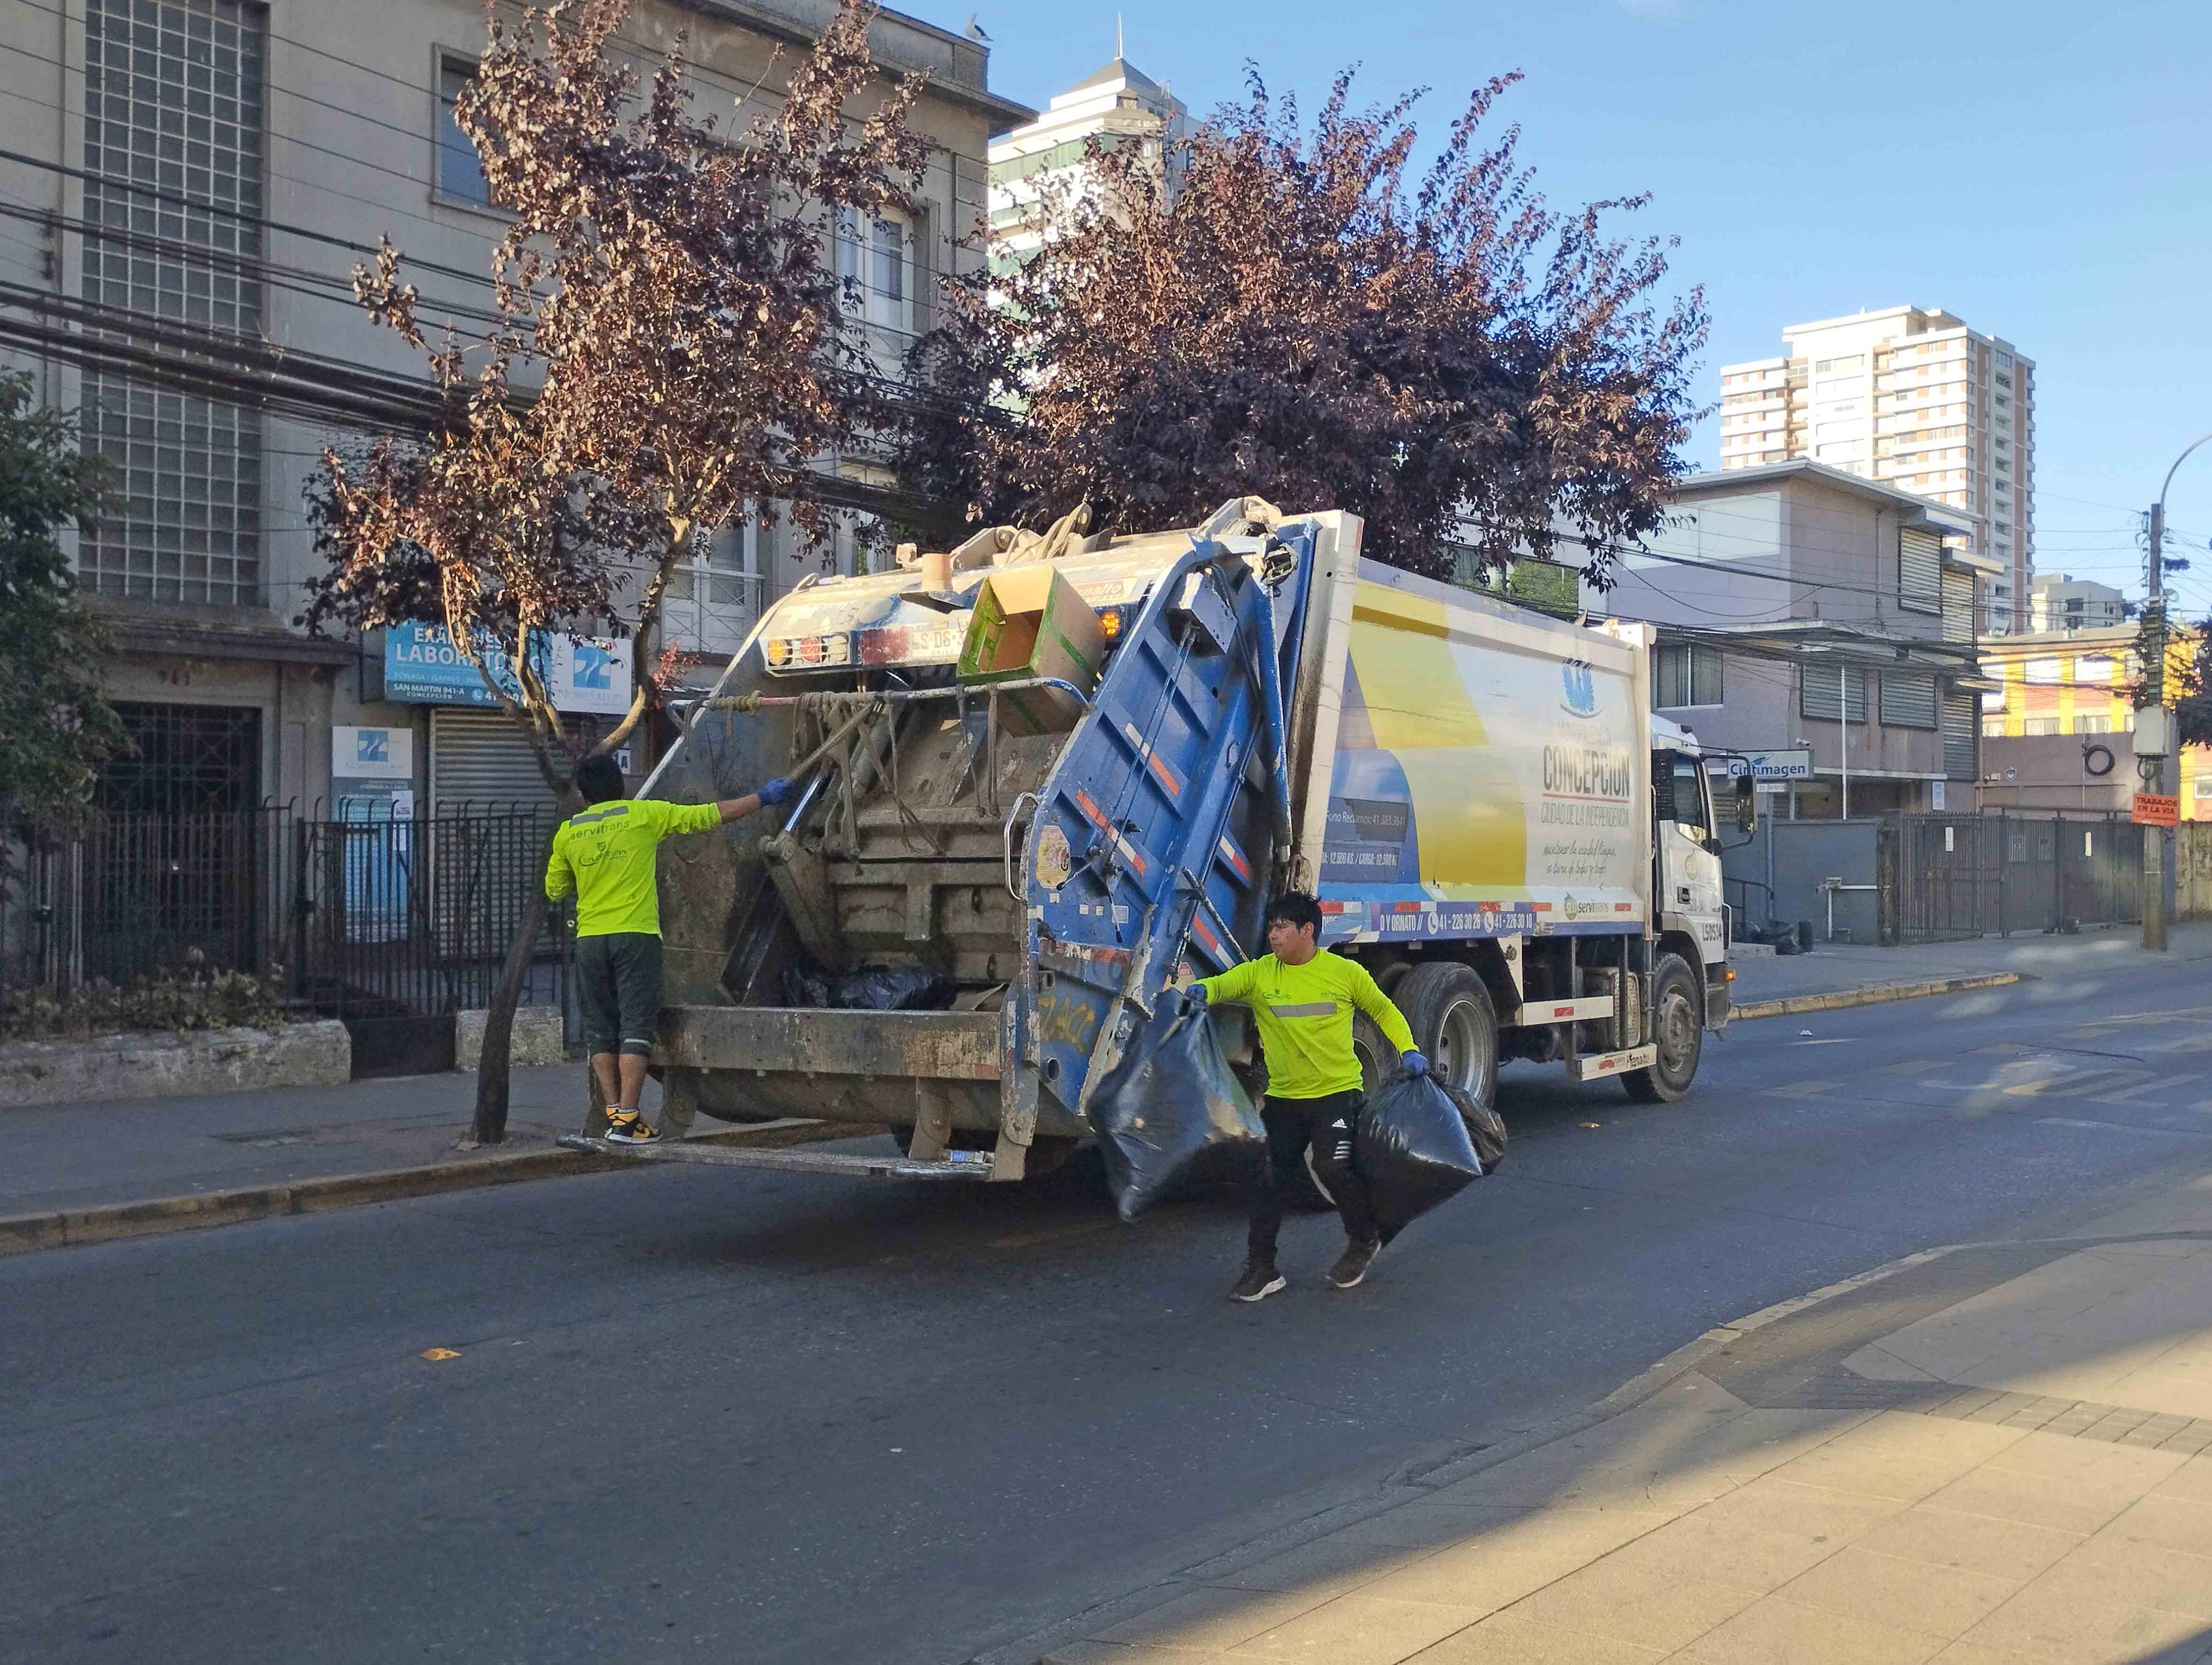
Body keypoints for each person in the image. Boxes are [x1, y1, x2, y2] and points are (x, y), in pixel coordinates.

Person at [1184, 891, 1427, 1301]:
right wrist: (1199, 992)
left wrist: (1409, 1049)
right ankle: (1262, 1268)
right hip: (1285, 1097)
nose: (1273, 935)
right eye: (1271, 927)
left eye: (1281, 927)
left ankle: (1363, 1238)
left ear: (1307, 930)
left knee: (1333, 1166)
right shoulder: (1261, 973)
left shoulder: (1344, 973)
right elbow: (1223, 985)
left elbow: (1384, 1010)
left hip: (1337, 1092)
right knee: (1268, 1179)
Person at [545, 753, 792, 1144]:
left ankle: (614, 1116)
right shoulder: (644, 815)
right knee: (636, 1028)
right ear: (619, 784)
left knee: (599, 1031)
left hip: (590, 941)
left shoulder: (569, 832)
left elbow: (555, 888)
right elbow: (708, 816)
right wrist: (762, 798)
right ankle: (628, 1120)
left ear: (583, 795)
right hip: (635, 936)